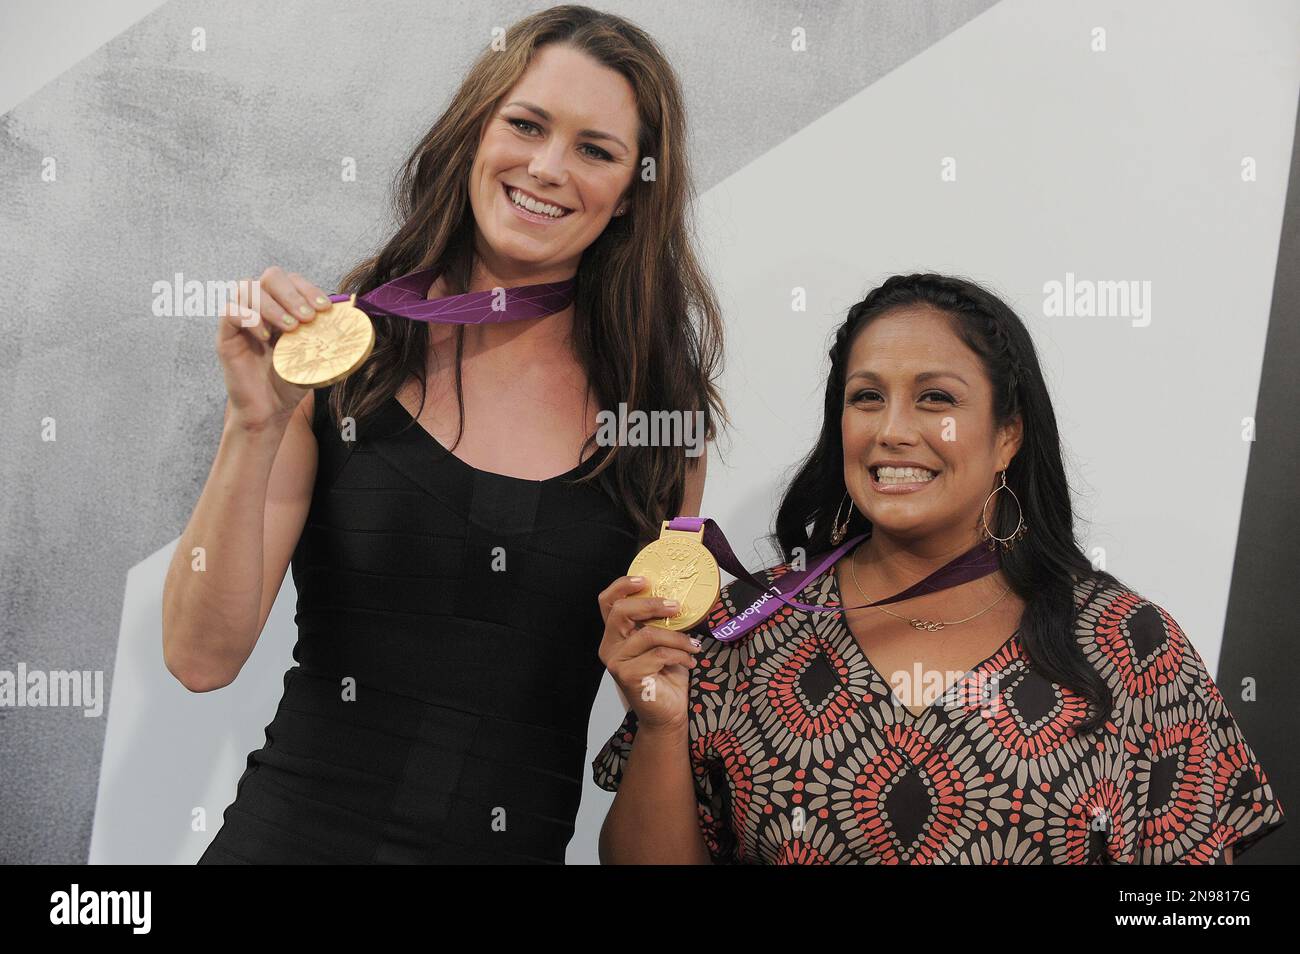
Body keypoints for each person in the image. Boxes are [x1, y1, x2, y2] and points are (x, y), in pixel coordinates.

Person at [163, 5, 725, 864]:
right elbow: (200, 658)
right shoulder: (344, 357)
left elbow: (654, 698)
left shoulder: (660, 430)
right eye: (526, 125)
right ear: (475, 134)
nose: (546, 168)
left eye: (595, 150)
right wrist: (254, 424)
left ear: (630, 193)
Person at [593, 273, 1285, 864]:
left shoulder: (1129, 646)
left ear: (1007, 435)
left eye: (936, 399)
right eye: (866, 398)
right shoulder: (745, 628)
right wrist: (660, 726)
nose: (892, 429)